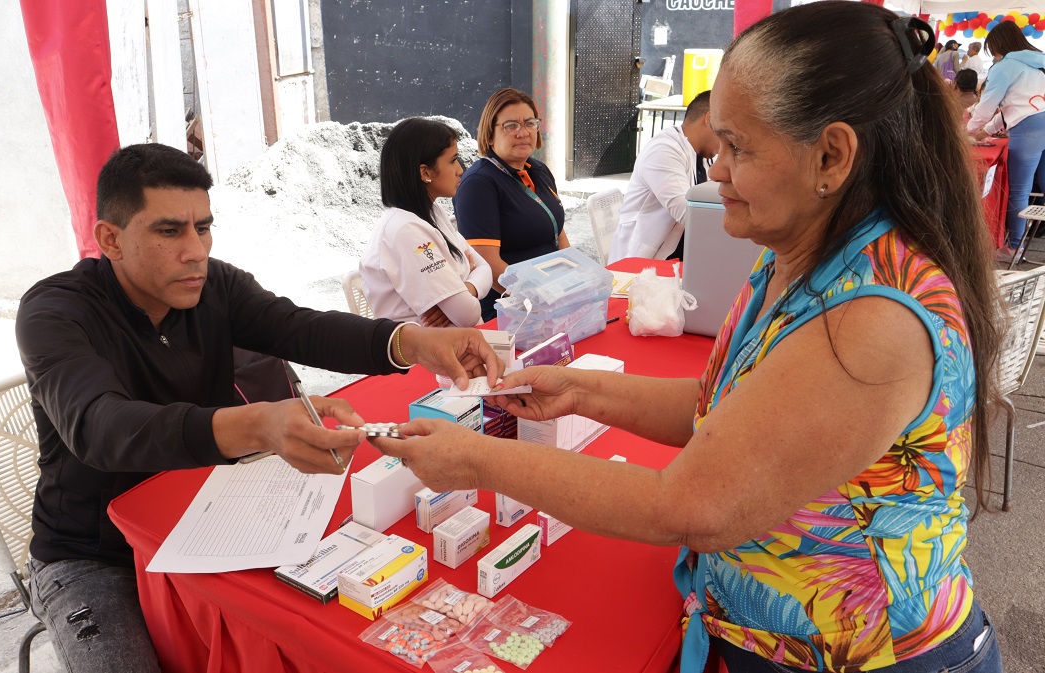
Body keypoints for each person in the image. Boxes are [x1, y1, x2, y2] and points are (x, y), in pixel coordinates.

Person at [374, 4, 1004, 672]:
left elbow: (691, 504)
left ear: (831, 156)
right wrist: (580, 391)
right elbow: (724, 409)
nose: (717, 168)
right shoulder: (797, 252)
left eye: (738, 147)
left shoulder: (873, 318)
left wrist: (477, 460)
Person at [16, 143, 504, 671]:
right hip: (93, 554)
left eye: (203, 228)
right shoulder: (55, 311)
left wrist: (410, 340)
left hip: (210, 518)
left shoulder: (213, 285)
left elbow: (300, 328)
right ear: (110, 239)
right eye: (169, 231)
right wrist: (256, 425)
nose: (194, 251)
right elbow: (100, 427)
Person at [360, 117, 493, 327]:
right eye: (452, 160)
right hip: (430, 346)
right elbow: (466, 314)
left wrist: (465, 288)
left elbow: (486, 269)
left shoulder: (433, 213)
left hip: (461, 339)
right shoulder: (405, 230)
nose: (460, 170)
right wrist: (467, 278)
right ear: (425, 172)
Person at [454, 88, 569, 322]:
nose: (523, 132)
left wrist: (574, 280)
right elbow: (487, 263)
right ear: (489, 135)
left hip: (552, 296)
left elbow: (557, 232)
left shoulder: (538, 170)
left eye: (530, 123)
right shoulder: (479, 183)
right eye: (511, 126)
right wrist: (536, 300)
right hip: (509, 308)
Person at [608, 90, 719, 263]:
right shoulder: (664, 150)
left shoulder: (701, 155)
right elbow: (687, 213)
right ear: (709, 119)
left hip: (676, 254)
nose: (729, 140)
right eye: (726, 130)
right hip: (642, 263)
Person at [968, 20, 1045, 259]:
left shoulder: (1005, 67)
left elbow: (988, 106)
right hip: (1037, 122)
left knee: (1019, 191)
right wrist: (985, 130)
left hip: (1028, 129)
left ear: (998, 45)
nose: (994, 55)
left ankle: (1014, 248)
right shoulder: (1039, 62)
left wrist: (968, 131)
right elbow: (1011, 108)